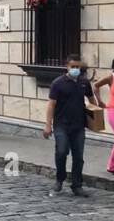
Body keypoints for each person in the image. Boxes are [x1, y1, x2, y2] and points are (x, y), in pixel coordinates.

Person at [43, 54, 103, 198]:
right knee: (62, 151)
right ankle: (59, 179)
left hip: (78, 125)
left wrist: (96, 116)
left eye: (78, 67)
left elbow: (91, 99)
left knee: (78, 157)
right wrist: (48, 125)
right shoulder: (58, 83)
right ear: (67, 67)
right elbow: (51, 104)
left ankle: (77, 185)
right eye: (73, 67)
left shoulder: (83, 82)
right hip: (61, 125)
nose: (76, 69)